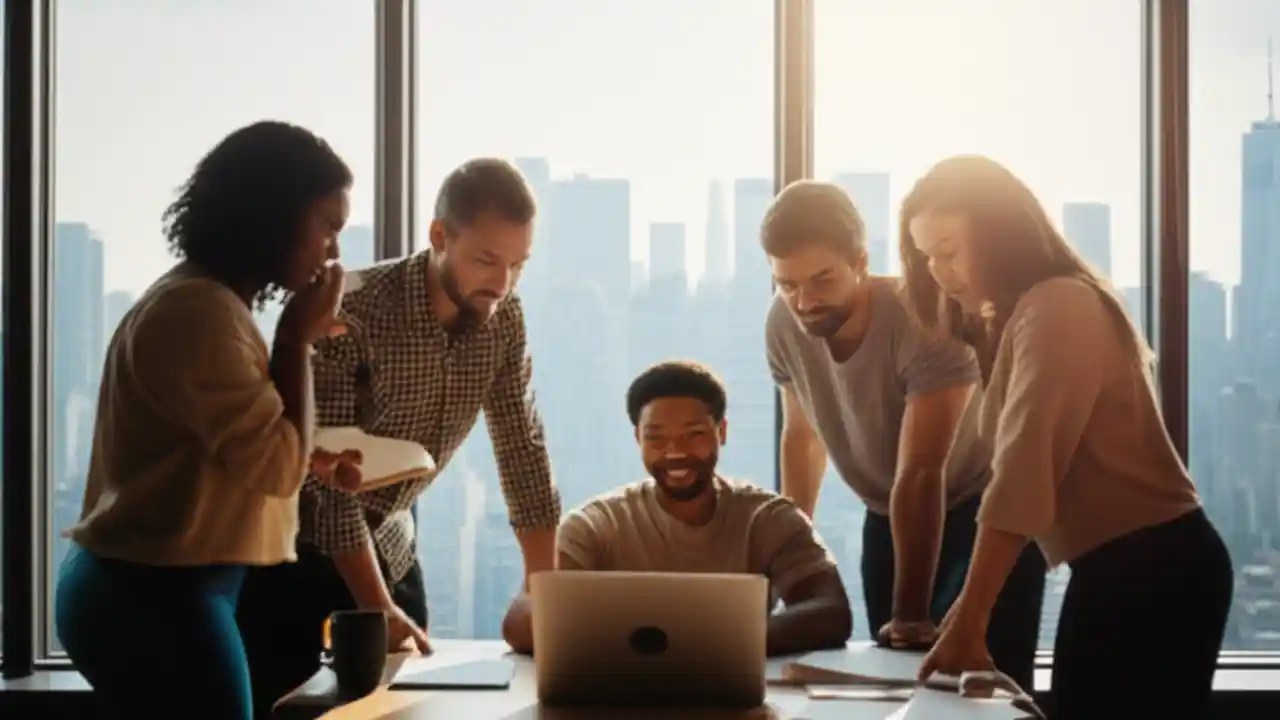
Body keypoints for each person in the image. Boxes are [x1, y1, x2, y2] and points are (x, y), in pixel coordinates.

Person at [904, 155, 1233, 718]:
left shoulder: (1059, 305)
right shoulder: (1022, 315)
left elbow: (1024, 470)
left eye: (949, 250)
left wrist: (969, 620)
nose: (937, 270)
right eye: (926, 255)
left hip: (1157, 571)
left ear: (998, 233)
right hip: (1115, 570)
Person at [237, 157, 561, 715]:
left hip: (391, 544)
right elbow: (327, 481)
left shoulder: (505, 319)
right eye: (487, 259)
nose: (502, 284)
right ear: (440, 236)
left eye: (518, 265)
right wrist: (376, 608)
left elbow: (522, 446)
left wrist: (545, 597)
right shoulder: (353, 310)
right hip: (297, 560)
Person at [53, 121, 355, 719]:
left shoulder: (208, 302)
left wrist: (311, 457)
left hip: (160, 586)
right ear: (275, 216)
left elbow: (222, 446)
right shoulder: (200, 314)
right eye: (328, 225)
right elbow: (274, 469)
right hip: (155, 595)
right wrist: (295, 339)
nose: (333, 251)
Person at [761, 180, 1044, 689]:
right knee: (898, 684)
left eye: (822, 279)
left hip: (983, 518)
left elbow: (921, 470)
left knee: (983, 691)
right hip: (886, 516)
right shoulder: (783, 322)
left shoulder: (924, 317)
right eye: (787, 283)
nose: (805, 301)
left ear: (861, 262)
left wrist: (911, 612)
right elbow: (802, 440)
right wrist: (789, 557)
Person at [557, 360, 853, 656]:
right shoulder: (596, 524)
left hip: (734, 684)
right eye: (656, 437)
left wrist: (719, 643)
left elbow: (831, 612)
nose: (675, 451)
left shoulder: (768, 518)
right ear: (638, 438)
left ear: (721, 432)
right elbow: (526, 616)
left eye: (694, 434)